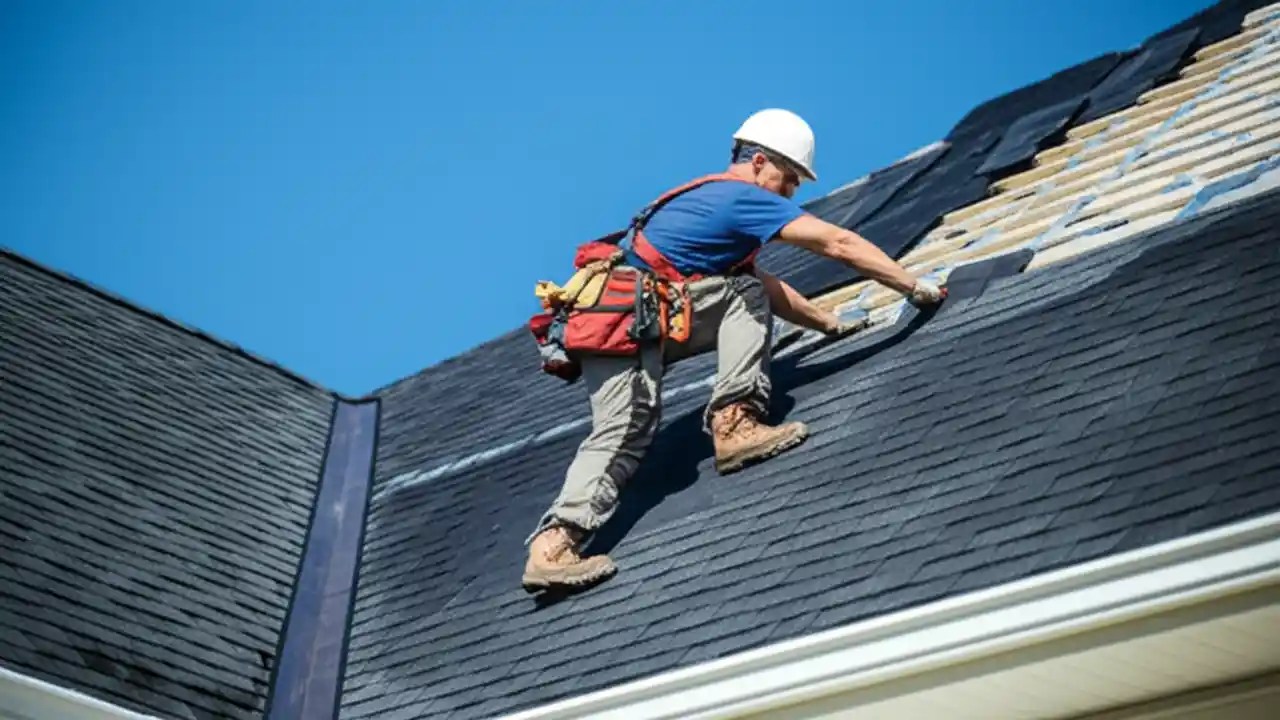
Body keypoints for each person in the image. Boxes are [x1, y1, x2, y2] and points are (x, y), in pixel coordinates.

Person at [522, 109, 946, 593]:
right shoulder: (741, 197)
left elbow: (765, 283)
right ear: (760, 162)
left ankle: (554, 548)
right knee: (736, 301)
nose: (790, 195)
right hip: (633, 320)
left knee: (625, 429)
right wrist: (914, 286)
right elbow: (837, 242)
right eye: (788, 182)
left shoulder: (708, 201)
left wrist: (830, 324)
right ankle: (735, 422)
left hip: (619, 322)